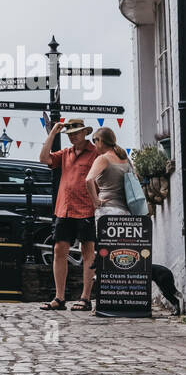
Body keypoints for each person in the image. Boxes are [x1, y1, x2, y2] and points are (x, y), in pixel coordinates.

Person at [39, 118, 99, 311]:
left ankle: (86, 297)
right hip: (64, 208)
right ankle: (59, 297)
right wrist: (52, 133)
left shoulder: (95, 153)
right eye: (70, 134)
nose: (72, 136)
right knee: (59, 250)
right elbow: (44, 158)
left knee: (87, 251)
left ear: (85, 133)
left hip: (87, 208)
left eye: (76, 132)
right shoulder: (66, 154)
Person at [86, 127, 131, 219]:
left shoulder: (103, 159)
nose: (94, 145)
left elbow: (88, 180)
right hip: (126, 211)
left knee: (103, 234)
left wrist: (96, 201)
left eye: (95, 141)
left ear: (100, 141)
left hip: (108, 210)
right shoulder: (125, 159)